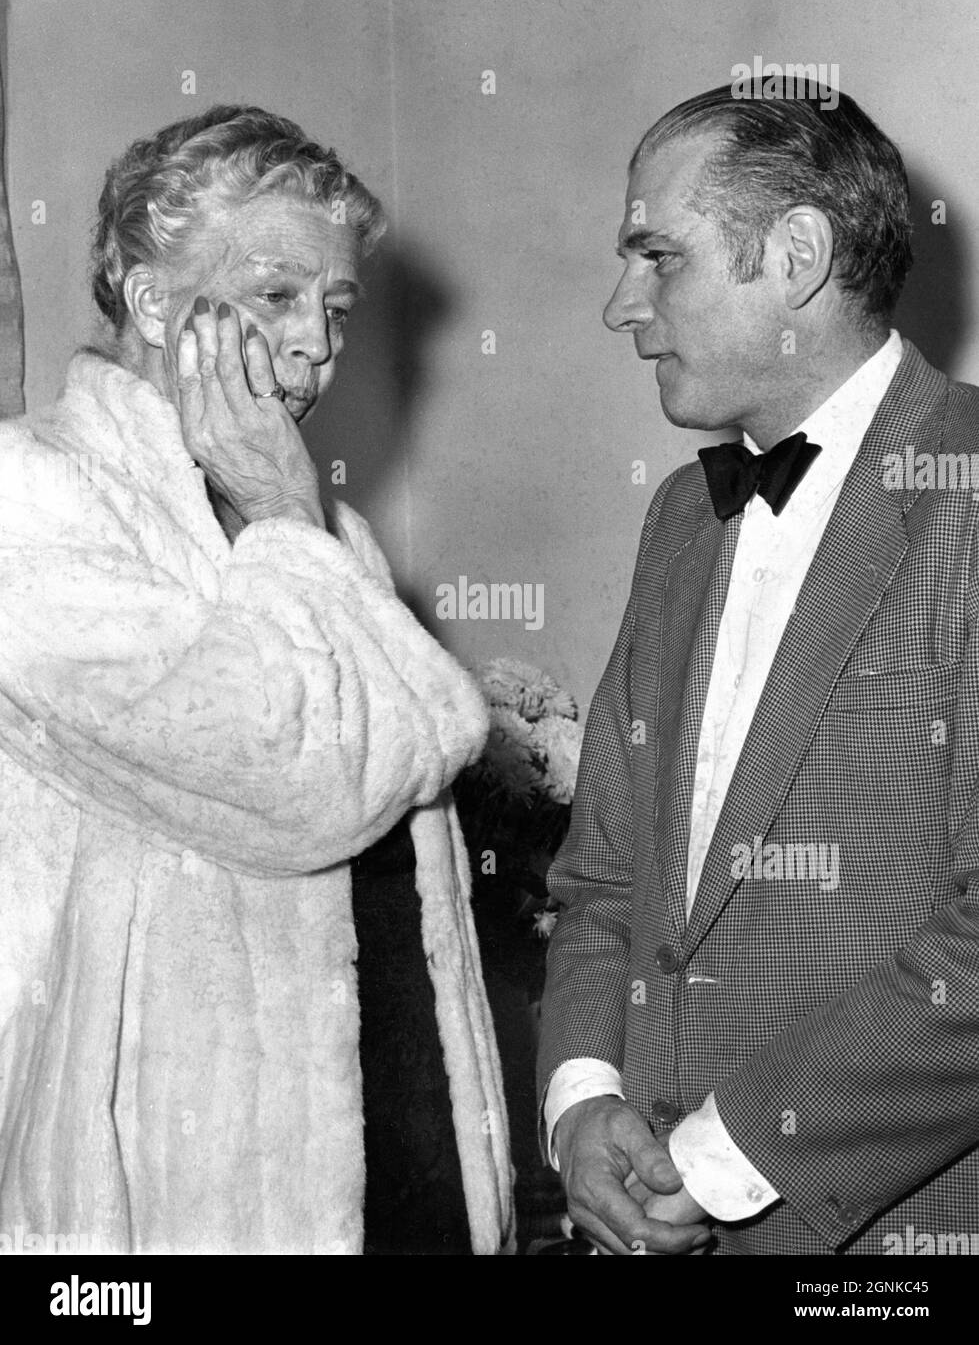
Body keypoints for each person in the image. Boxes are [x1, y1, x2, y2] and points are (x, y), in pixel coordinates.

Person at [0, 105, 513, 1255]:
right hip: (173, 1183)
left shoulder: (325, 530)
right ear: (149, 302)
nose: (316, 345)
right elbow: (293, 781)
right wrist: (289, 517)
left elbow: (432, 755)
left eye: (336, 308)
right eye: (276, 294)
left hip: (402, 1138)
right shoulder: (30, 495)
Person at [538, 80, 979, 1255]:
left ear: (795, 257)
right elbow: (603, 879)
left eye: (657, 256)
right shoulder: (682, 518)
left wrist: (722, 1158)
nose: (620, 304)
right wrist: (581, 1101)